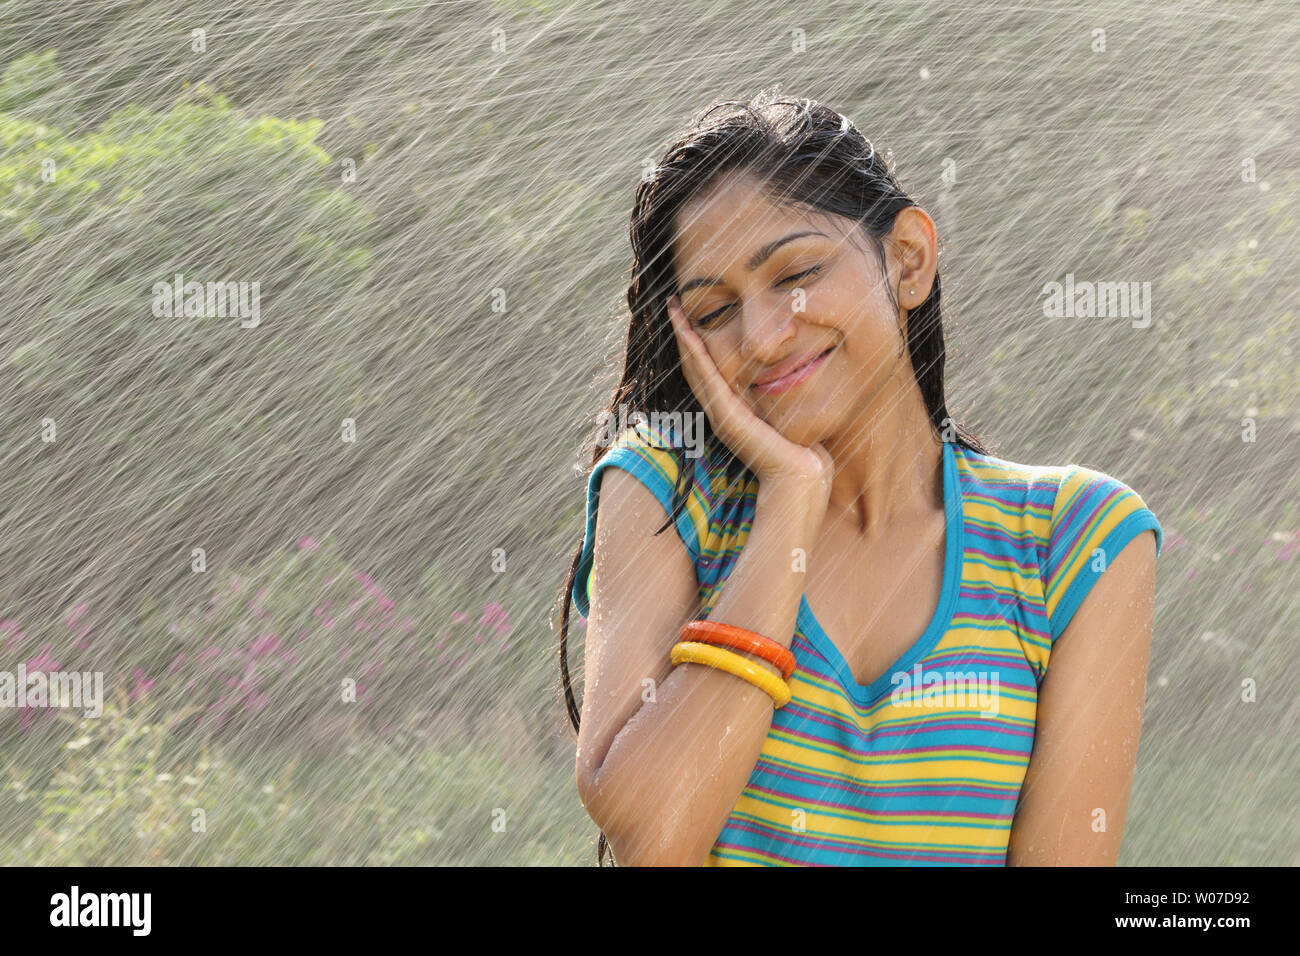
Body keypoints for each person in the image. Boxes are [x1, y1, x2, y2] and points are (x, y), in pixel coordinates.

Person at [555, 87, 1161, 866]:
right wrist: (789, 505)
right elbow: (653, 840)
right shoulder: (662, 494)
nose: (764, 337)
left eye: (797, 273)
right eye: (713, 311)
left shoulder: (1077, 540)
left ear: (907, 259)